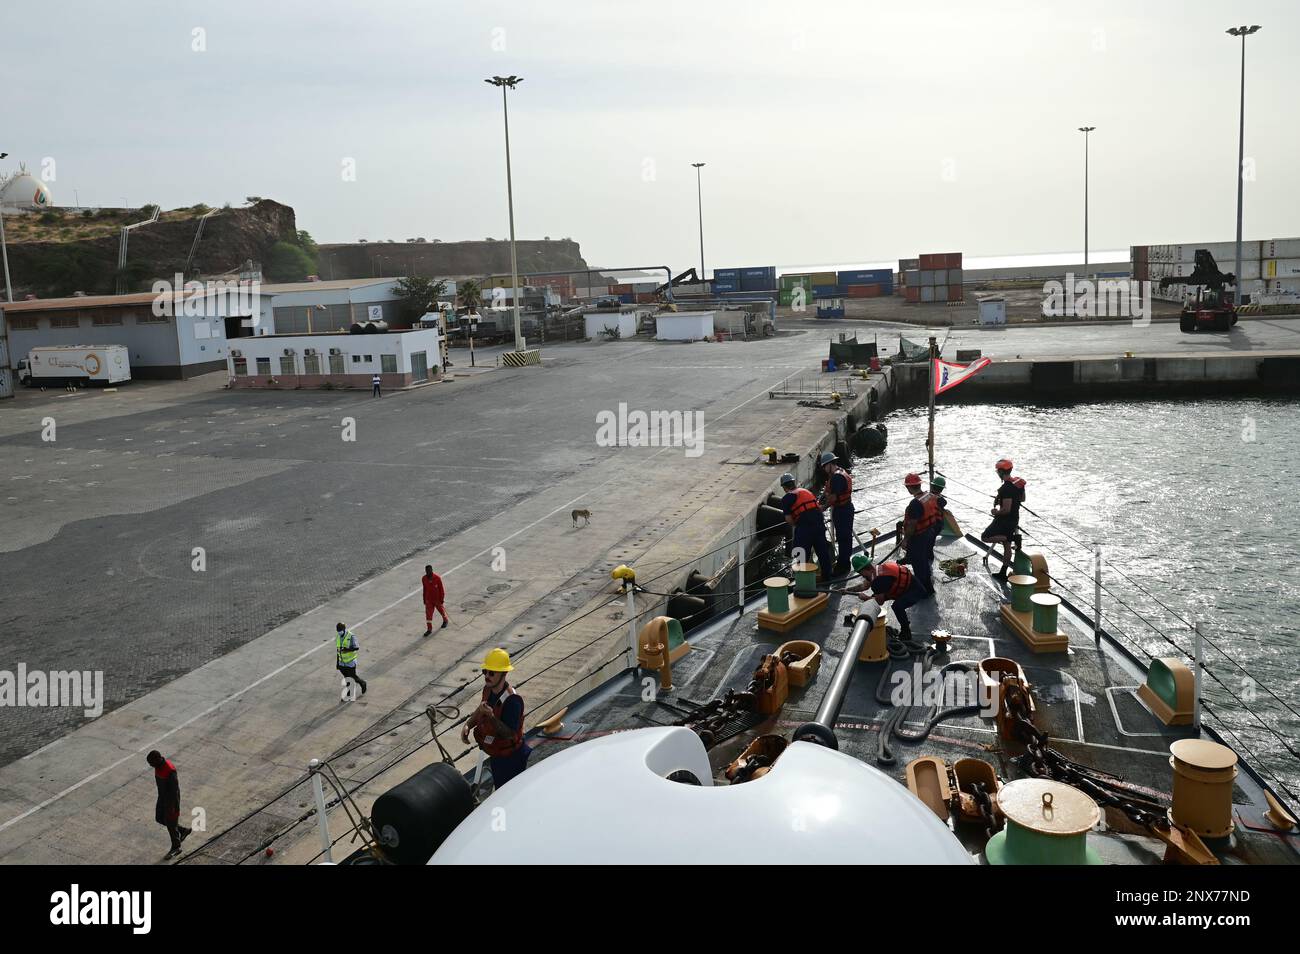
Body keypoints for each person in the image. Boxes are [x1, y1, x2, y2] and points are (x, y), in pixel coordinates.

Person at [461, 648, 531, 788]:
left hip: (512, 759)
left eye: (492, 673)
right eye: (484, 672)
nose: (487, 676)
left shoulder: (512, 701)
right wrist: (468, 724)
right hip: (497, 754)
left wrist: (491, 717)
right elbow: (481, 708)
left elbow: (510, 734)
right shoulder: (488, 690)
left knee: (509, 792)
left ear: (504, 674)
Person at [853, 559, 928, 641]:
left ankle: (906, 632)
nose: (861, 575)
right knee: (877, 595)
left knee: (897, 606)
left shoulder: (878, 582)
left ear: (864, 570)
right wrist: (846, 590)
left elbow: (879, 602)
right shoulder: (876, 570)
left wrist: (865, 598)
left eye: (861, 573)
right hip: (907, 586)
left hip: (915, 591)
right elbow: (863, 586)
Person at [778, 472, 833, 580]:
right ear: (794, 483)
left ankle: (803, 580)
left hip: (804, 527)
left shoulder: (786, 498)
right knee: (822, 552)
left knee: (801, 554)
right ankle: (827, 577)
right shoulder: (806, 491)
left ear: (784, 487)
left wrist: (797, 525)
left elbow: (788, 519)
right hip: (819, 524)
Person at [981, 458, 1026, 580]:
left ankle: (1010, 537)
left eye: (997, 471)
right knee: (1007, 546)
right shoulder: (1018, 483)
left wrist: (996, 512)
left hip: (1004, 520)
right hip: (1014, 519)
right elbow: (1022, 499)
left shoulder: (1006, 488)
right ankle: (1003, 572)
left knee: (985, 537)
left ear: (1001, 472)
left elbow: (1006, 509)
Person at [900, 473, 943, 594]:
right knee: (923, 560)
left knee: (919, 564)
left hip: (919, 537)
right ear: (919, 484)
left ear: (908, 487)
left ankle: (924, 591)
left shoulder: (915, 504)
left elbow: (912, 524)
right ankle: (927, 587)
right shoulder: (929, 495)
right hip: (929, 532)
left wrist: (906, 540)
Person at [146, 750, 191, 859]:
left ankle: (176, 847)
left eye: (151, 763)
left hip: (171, 801)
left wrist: (172, 806)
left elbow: (174, 790)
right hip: (162, 798)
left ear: (157, 759)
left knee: (170, 824)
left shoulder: (169, 770)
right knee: (159, 818)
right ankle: (182, 830)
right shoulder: (158, 766)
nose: (151, 766)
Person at [816, 451, 855, 576]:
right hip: (841, 509)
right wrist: (819, 501)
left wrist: (823, 507)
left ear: (829, 465)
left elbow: (833, 497)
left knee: (844, 538)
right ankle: (842, 564)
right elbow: (827, 491)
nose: (823, 469)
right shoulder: (837, 473)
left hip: (843, 511)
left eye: (824, 467)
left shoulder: (837, 477)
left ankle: (843, 566)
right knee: (843, 537)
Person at [335, 622, 367, 699]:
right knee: (346, 677)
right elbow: (338, 649)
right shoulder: (338, 636)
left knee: (353, 676)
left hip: (350, 661)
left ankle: (362, 683)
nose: (339, 632)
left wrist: (347, 649)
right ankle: (350, 693)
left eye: (340, 630)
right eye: (338, 630)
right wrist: (337, 662)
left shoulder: (351, 636)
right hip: (342, 662)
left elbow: (356, 647)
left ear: (344, 629)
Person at [422, 564, 448, 635]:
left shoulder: (437, 578)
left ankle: (445, 620)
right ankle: (429, 629)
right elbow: (424, 589)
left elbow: (441, 589)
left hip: (437, 599)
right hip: (428, 600)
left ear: (432, 570)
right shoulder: (424, 579)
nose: (428, 573)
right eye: (426, 571)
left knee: (441, 611)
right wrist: (424, 599)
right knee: (428, 615)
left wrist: (442, 599)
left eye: (429, 571)